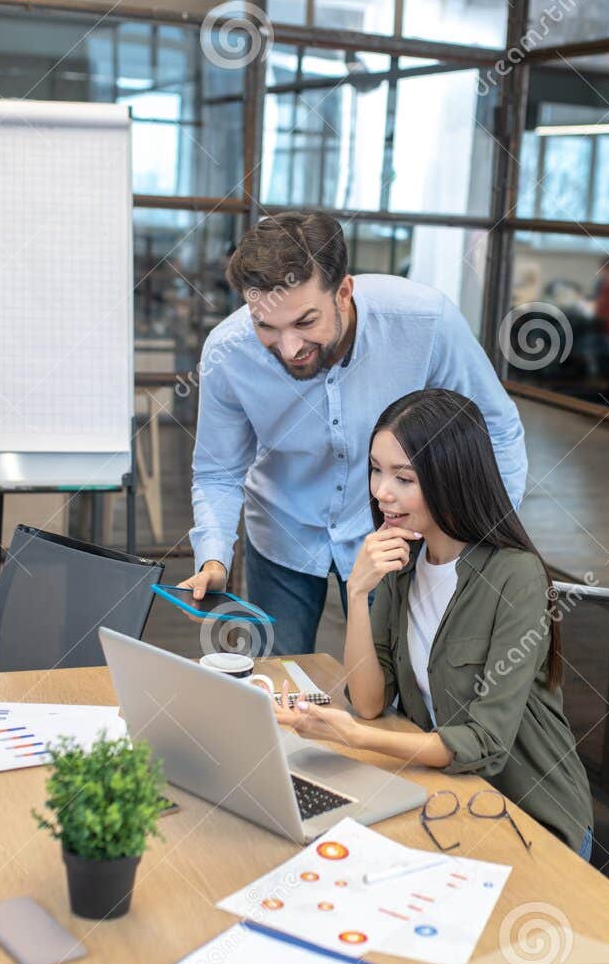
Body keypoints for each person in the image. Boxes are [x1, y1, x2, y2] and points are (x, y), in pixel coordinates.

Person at [182, 210, 527, 652]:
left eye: (306, 322)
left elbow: (496, 428)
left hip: (396, 537)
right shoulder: (228, 352)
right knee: (278, 684)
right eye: (266, 326)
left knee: (392, 691)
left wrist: (481, 540)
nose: (289, 348)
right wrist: (214, 556)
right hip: (281, 532)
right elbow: (218, 471)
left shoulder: (426, 321)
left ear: (343, 291)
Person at [276, 388, 593, 857]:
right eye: (376, 470)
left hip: (531, 817)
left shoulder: (516, 575)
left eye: (403, 478)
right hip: (450, 797)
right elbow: (368, 701)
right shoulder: (404, 555)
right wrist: (357, 593)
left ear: (451, 479)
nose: (382, 492)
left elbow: (485, 742)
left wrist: (356, 738)